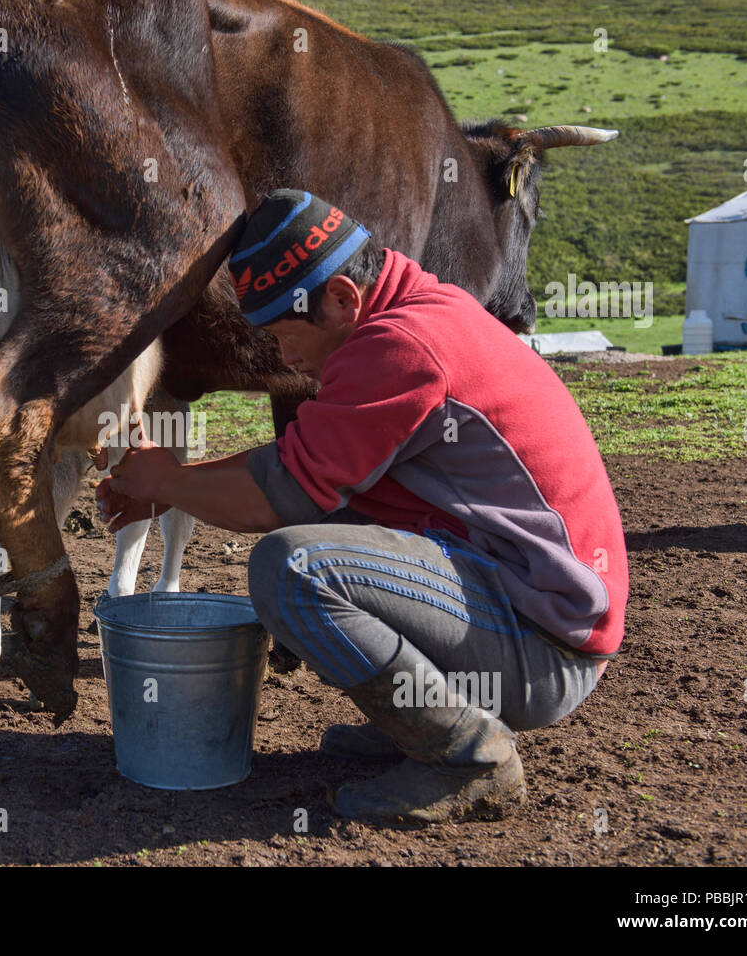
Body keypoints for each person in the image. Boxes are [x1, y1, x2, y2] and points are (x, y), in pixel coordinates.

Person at [97, 190, 627, 825]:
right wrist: (172, 481)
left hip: (544, 650)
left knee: (291, 567)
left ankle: (468, 755)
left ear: (344, 297)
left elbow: (282, 495)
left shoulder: (402, 349)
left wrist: (168, 482)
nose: (287, 359)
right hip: (522, 605)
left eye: (288, 335)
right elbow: (299, 465)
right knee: (317, 529)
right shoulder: (425, 309)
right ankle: (428, 714)